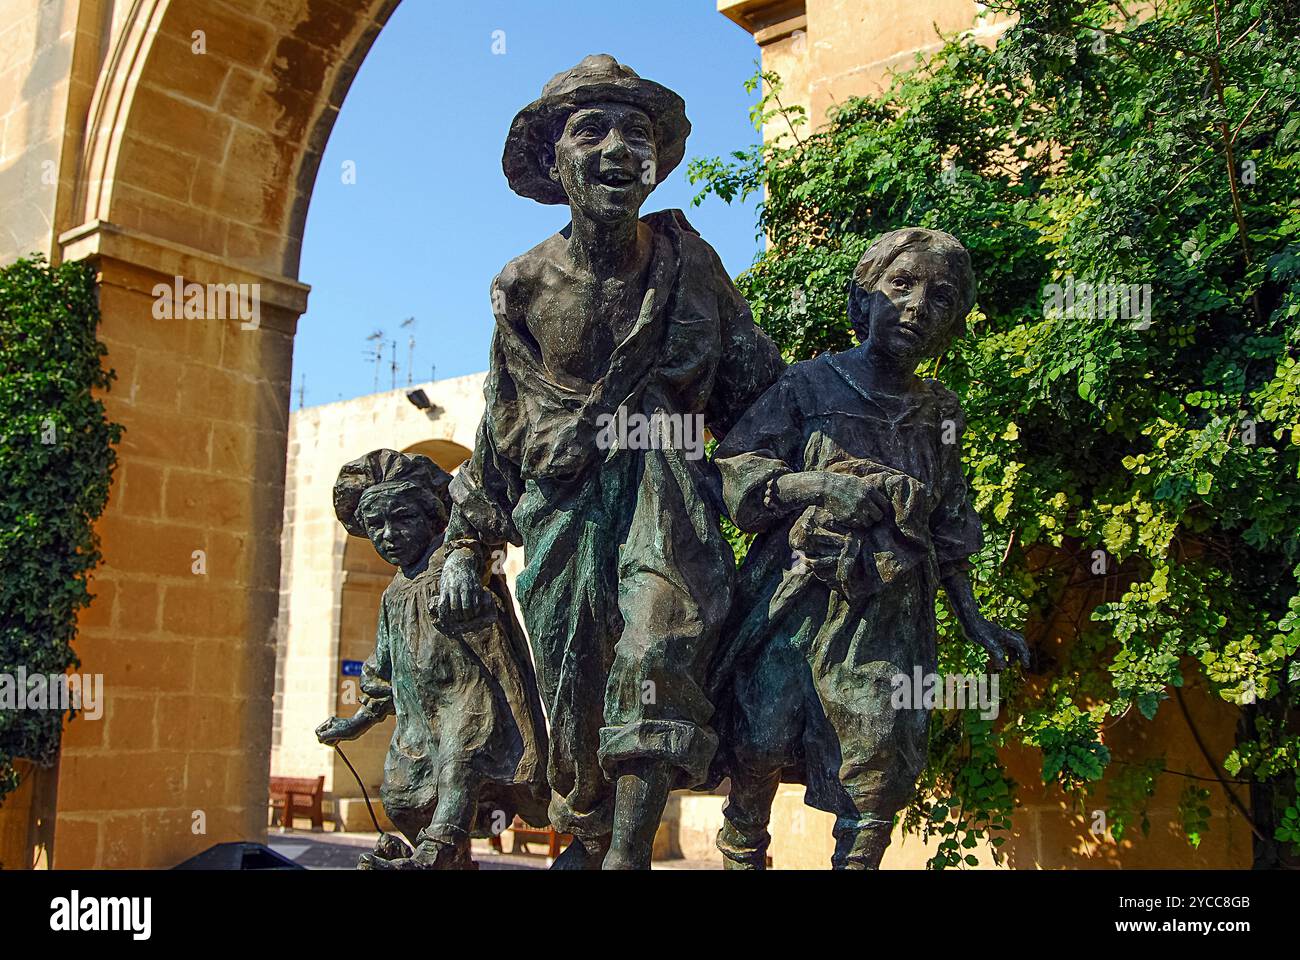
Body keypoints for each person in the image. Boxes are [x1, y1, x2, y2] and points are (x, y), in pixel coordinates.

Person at [437, 55, 785, 869]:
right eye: (590, 130)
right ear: (553, 158)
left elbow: (756, 390)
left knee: (657, 648)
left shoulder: (689, 264)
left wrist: (813, 454)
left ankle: (626, 855)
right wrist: (464, 540)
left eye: (638, 132)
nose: (619, 148)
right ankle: (588, 836)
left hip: (668, 493)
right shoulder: (521, 284)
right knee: (575, 690)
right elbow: (501, 420)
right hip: (563, 511)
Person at [709, 228, 1029, 869]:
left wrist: (974, 618)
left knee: (878, 760)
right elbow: (734, 471)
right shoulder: (808, 386)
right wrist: (820, 485)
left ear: (952, 327)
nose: (918, 306)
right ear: (863, 301)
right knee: (761, 739)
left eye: (942, 299)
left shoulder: (942, 411)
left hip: (889, 615)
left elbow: (951, 521)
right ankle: (742, 855)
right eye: (901, 285)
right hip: (794, 599)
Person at [316, 449, 548, 869]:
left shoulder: (453, 560)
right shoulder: (391, 595)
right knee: (400, 795)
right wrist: (353, 725)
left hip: (472, 699)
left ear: (431, 518)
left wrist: (468, 569)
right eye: (376, 526)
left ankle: (432, 857)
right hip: (420, 718)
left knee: (460, 767)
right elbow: (382, 675)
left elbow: (484, 539)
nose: (389, 534)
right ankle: (452, 860)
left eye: (401, 519)